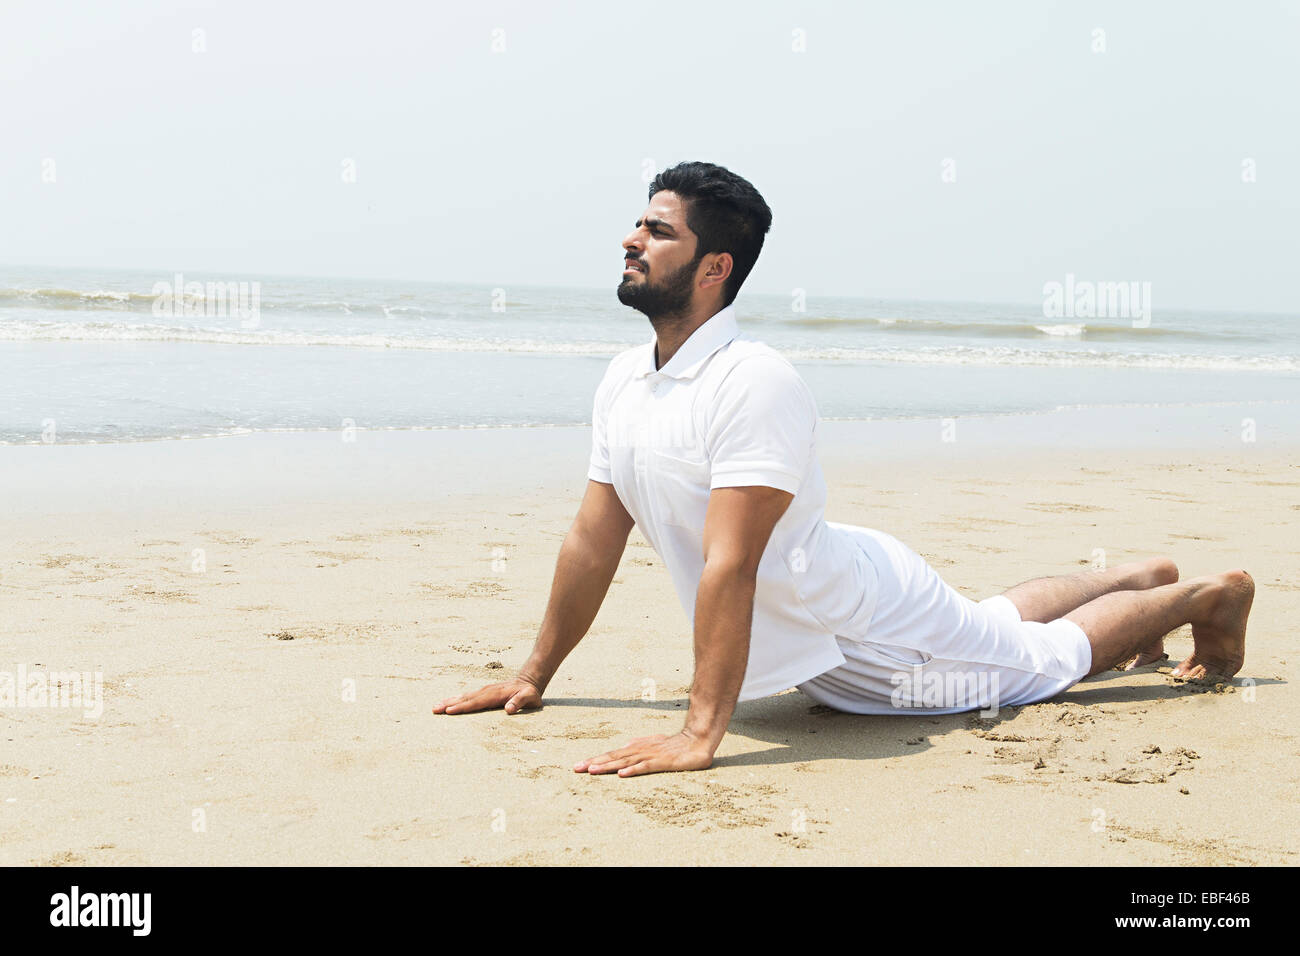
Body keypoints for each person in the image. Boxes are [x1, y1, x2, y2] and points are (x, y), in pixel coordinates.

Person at [434, 161, 1254, 778]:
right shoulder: (628, 377)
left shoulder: (750, 381)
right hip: (854, 599)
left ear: (715, 267)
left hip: (869, 635)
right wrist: (532, 674)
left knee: (1039, 664)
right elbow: (591, 539)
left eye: (657, 230)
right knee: (994, 624)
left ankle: (1201, 596)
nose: (630, 239)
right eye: (638, 225)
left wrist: (700, 734)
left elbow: (732, 564)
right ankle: (1135, 576)